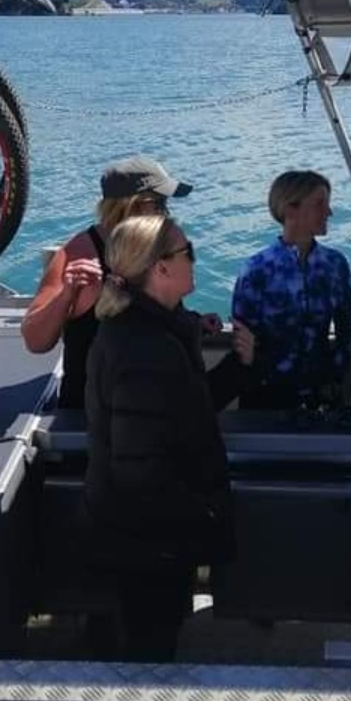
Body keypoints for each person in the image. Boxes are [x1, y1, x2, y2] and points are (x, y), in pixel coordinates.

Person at [83, 214, 253, 662]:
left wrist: (239, 368)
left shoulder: (163, 331)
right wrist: (205, 510)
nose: (195, 259)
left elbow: (186, 410)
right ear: (160, 269)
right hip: (148, 544)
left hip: (151, 538)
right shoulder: (144, 351)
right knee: (149, 651)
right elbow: (139, 474)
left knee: (159, 636)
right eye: (188, 252)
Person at [22, 155, 206, 408]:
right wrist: (67, 294)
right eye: (160, 203)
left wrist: (194, 322)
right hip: (91, 416)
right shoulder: (80, 253)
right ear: (134, 206)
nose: (166, 212)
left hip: (150, 404)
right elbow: (36, 341)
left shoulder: (155, 246)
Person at [231, 170, 351, 410]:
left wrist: (334, 383)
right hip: (265, 396)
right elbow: (243, 343)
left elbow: (345, 335)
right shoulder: (256, 269)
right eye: (320, 204)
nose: (329, 212)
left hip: (321, 396)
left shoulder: (336, 265)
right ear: (290, 210)